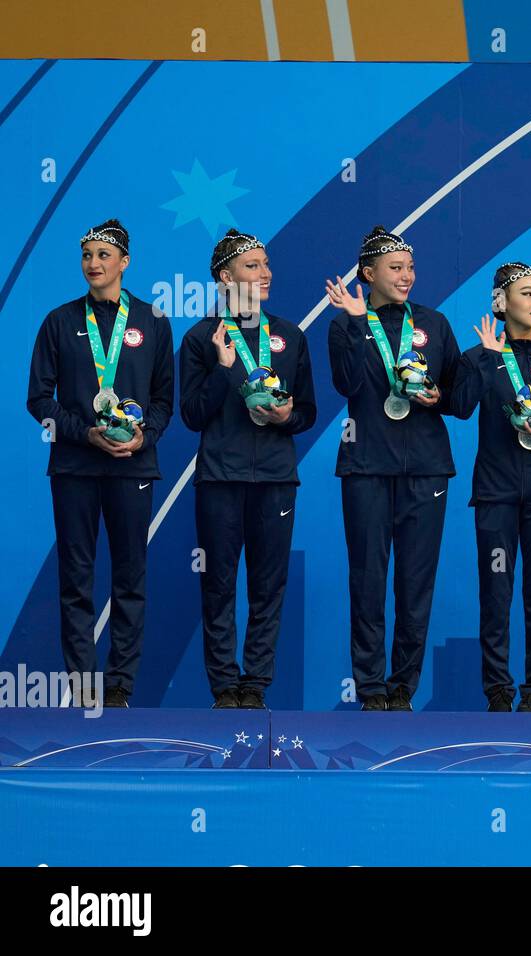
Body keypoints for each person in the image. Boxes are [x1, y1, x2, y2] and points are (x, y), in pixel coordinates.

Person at [26, 219, 174, 708]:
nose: (94, 263)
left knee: (130, 577)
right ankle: (84, 688)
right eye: (87, 255)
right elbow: (39, 400)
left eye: (104, 255)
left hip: (133, 467)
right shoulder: (59, 321)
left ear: (125, 262)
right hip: (75, 467)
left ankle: (120, 689)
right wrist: (84, 433)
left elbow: (163, 401)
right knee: (76, 578)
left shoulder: (153, 321)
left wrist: (142, 437)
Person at [179, 230, 317, 709]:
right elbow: (193, 415)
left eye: (266, 264)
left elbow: (308, 413)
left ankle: (255, 685)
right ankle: (224, 686)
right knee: (218, 584)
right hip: (220, 477)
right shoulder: (201, 338)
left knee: (267, 585)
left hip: (276, 479)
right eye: (254, 265)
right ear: (225, 276)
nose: (266, 273)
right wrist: (222, 368)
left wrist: (287, 417)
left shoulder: (290, 336)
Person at [325, 226, 460, 712]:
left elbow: (458, 397)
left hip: (427, 470)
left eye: (409, 267)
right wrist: (361, 323)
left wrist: (438, 395)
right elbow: (347, 383)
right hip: (366, 467)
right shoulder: (344, 323)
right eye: (395, 268)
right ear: (369, 273)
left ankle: (402, 688)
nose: (406, 276)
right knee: (367, 578)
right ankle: (371, 688)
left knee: (415, 582)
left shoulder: (435, 323)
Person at [448, 263, 531, 713]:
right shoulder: (476, 356)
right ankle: (499, 692)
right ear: (502, 303)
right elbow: (460, 407)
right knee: (496, 591)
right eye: (527, 293)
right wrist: (487, 358)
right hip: (495, 494)